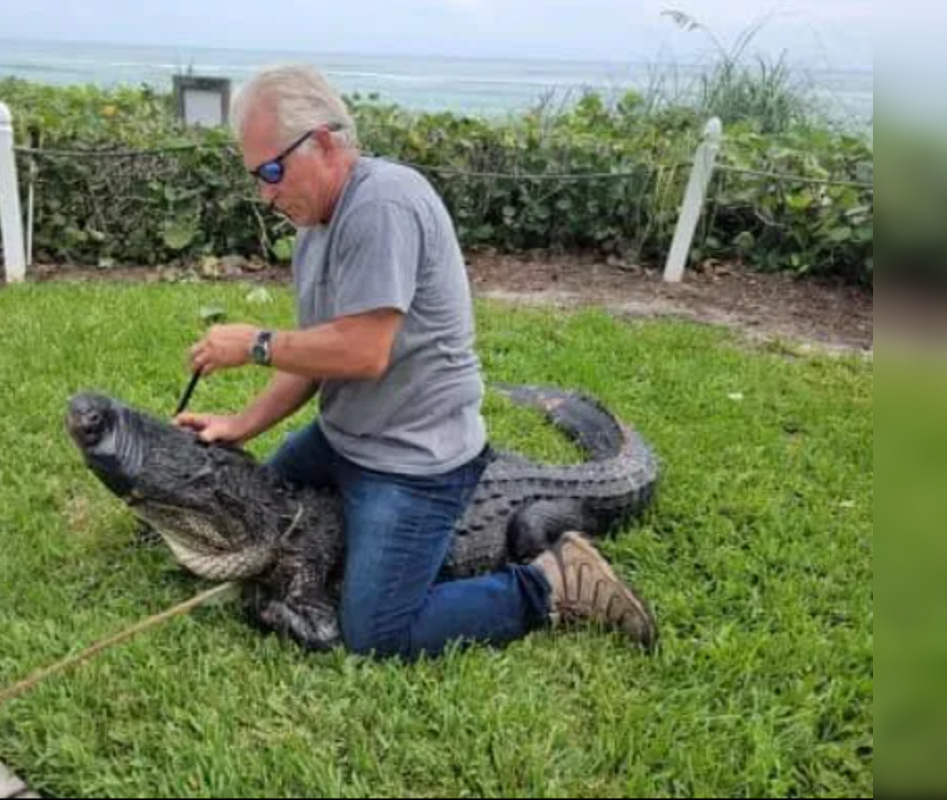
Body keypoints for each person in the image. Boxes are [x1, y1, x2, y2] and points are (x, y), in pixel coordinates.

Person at [176, 64, 656, 660]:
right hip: (343, 438)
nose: (265, 193)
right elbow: (318, 355)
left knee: (379, 631)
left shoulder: (384, 202)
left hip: (413, 462)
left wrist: (255, 343)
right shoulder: (314, 232)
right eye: (257, 176)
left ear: (323, 142)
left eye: (272, 171)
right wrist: (240, 425)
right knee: (262, 503)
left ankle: (553, 582)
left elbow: (364, 350)